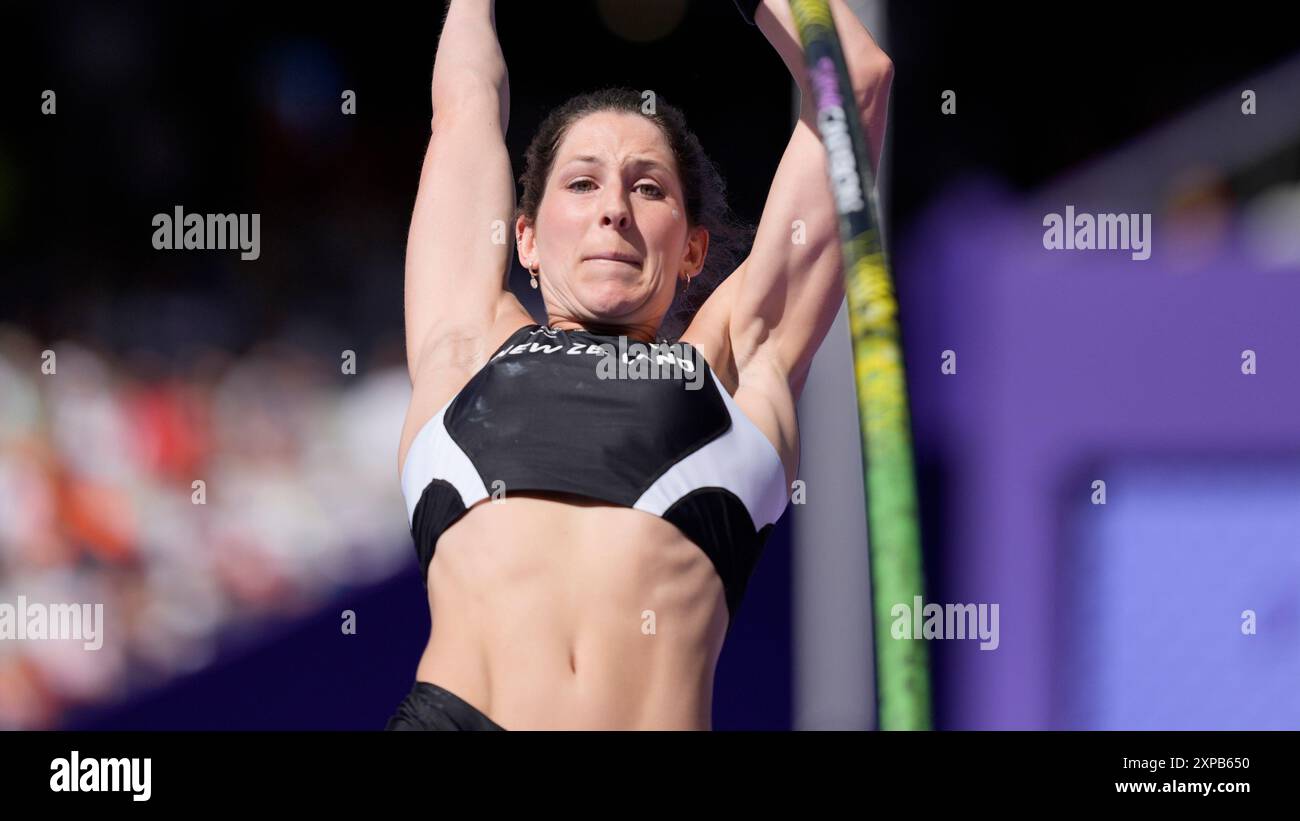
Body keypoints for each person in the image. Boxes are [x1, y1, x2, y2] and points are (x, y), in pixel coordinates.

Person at [387, 0, 892, 730]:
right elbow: (464, 108)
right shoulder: (465, 343)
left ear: (691, 247)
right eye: (582, 183)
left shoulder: (741, 358)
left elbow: (857, 83)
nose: (614, 209)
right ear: (523, 237)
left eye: (648, 186)